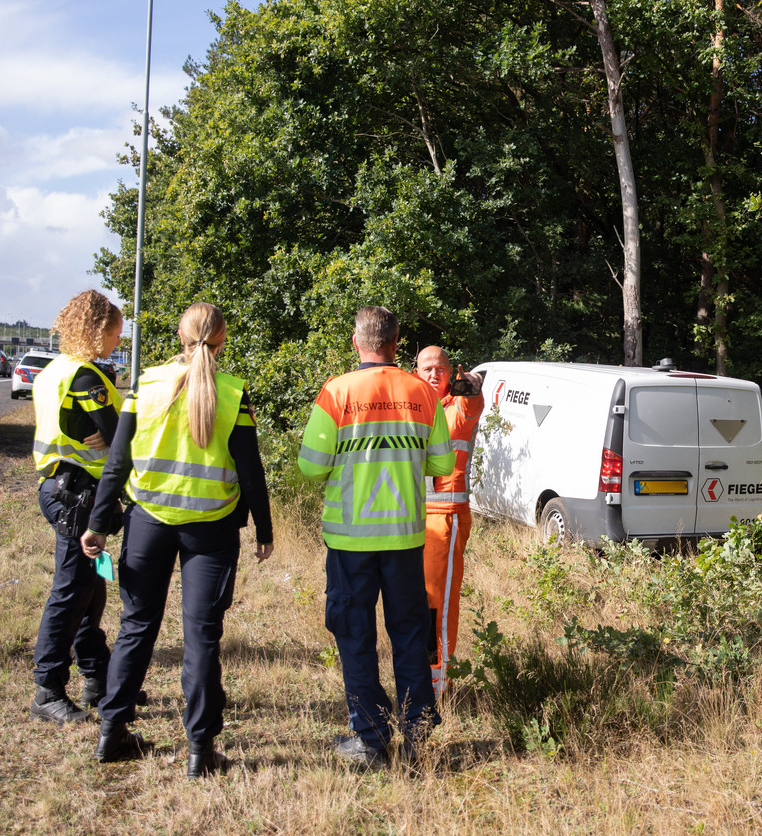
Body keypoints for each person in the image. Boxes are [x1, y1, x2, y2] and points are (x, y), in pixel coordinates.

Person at [81, 302, 274, 778]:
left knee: (136, 625)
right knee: (202, 637)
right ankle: (200, 751)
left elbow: (117, 463)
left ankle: (112, 731)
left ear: (180, 338)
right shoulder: (233, 392)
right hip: (211, 528)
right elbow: (250, 470)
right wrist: (264, 530)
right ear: (222, 339)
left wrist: (99, 523)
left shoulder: (144, 385)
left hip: (148, 522)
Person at [298, 307, 455, 768]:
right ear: (396, 342)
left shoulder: (337, 391)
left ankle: (369, 737)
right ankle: (417, 730)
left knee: (355, 634)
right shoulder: (421, 393)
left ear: (356, 342)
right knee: (409, 632)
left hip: (350, 542)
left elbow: (310, 465)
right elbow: (443, 466)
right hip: (405, 538)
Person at [28, 290, 125, 724]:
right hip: (77, 494)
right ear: (98, 329)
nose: (116, 344)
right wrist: (112, 437)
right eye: (114, 335)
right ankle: (47, 689)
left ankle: (96, 676)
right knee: (71, 592)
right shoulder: (86, 378)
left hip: (62, 488)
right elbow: (122, 435)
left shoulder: (53, 372)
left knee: (92, 586)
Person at [415, 346, 484, 699]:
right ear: (415, 372)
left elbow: (472, 404)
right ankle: (416, 674)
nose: (434, 374)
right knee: (413, 602)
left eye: (441, 368)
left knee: (436, 605)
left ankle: (436, 683)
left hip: (444, 521)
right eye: (427, 368)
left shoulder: (457, 406)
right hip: (407, 521)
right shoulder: (410, 404)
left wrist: (471, 387)